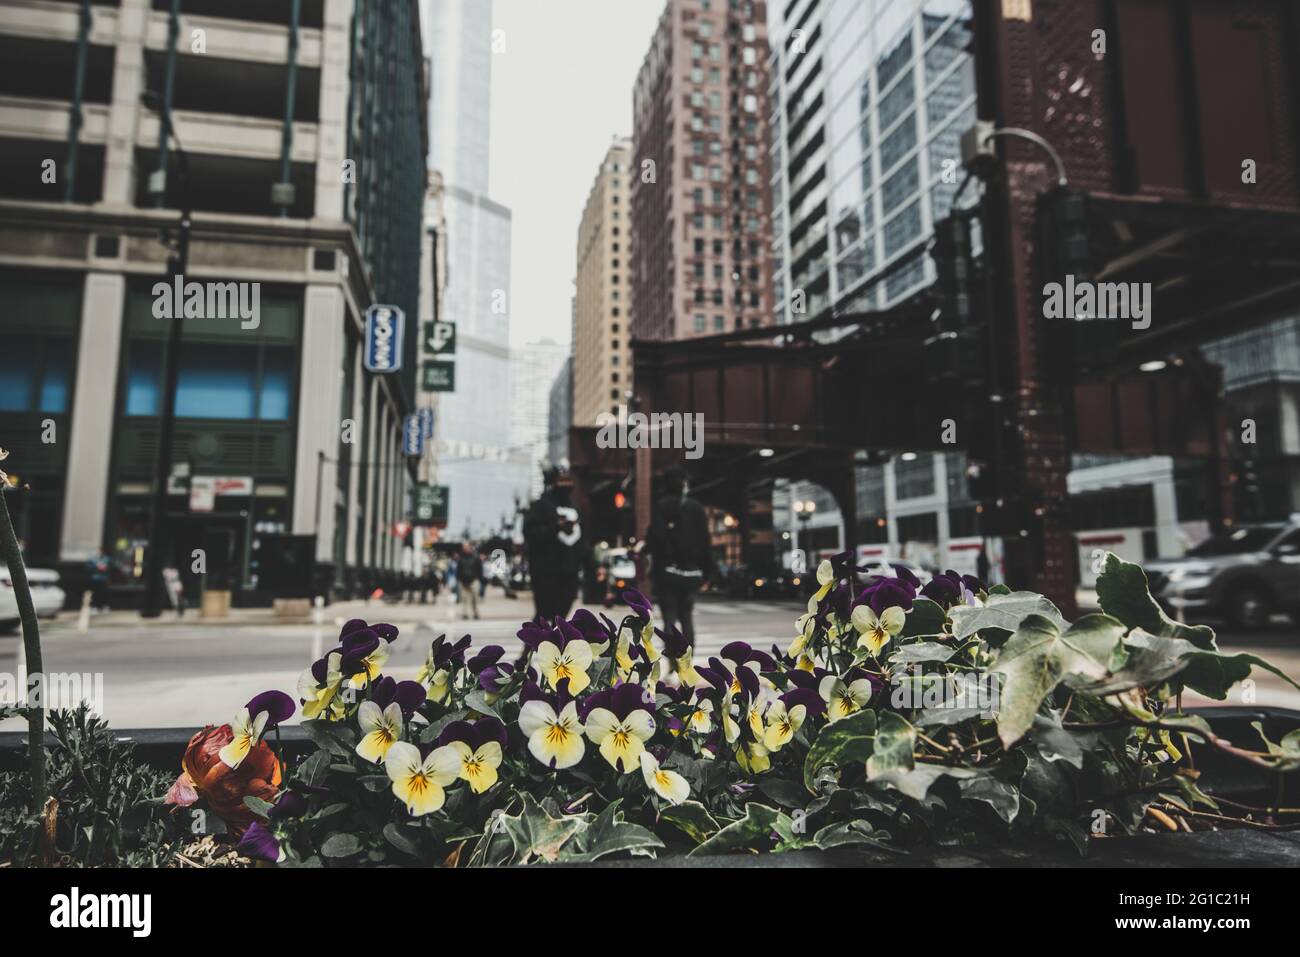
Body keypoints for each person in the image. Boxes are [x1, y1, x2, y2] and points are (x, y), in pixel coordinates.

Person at [646, 466, 712, 646]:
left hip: (667, 572)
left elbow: (655, 538)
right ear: (684, 483)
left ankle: (671, 663)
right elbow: (706, 542)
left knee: (669, 619)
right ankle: (687, 664)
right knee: (687, 618)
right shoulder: (697, 508)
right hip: (691, 573)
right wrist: (707, 573)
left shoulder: (661, 506)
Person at [523, 463, 589, 621]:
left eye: (568, 480)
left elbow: (583, 540)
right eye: (561, 480)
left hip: (570, 572)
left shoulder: (576, 507)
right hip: (545, 571)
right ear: (552, 482)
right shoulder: (541, 505)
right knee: (544, 614)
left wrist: (588, 564)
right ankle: (532, 643)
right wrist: (555, 527)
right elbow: (530, 534)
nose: (566, 484)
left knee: (562, 613)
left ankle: (555, 642)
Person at [455, 542, 483, 620]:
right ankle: (465, 613)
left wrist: (479, 579)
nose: (465, 549)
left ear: (470, 548)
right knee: (464, 598)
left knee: (475, 598)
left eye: (467, 547)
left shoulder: (476, 558)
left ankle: (476, 613)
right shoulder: (460, 558)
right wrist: (458, 579)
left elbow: (480, 569)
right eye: (464, 547)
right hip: (463, 581)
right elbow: (458, 570)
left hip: (474, 580)